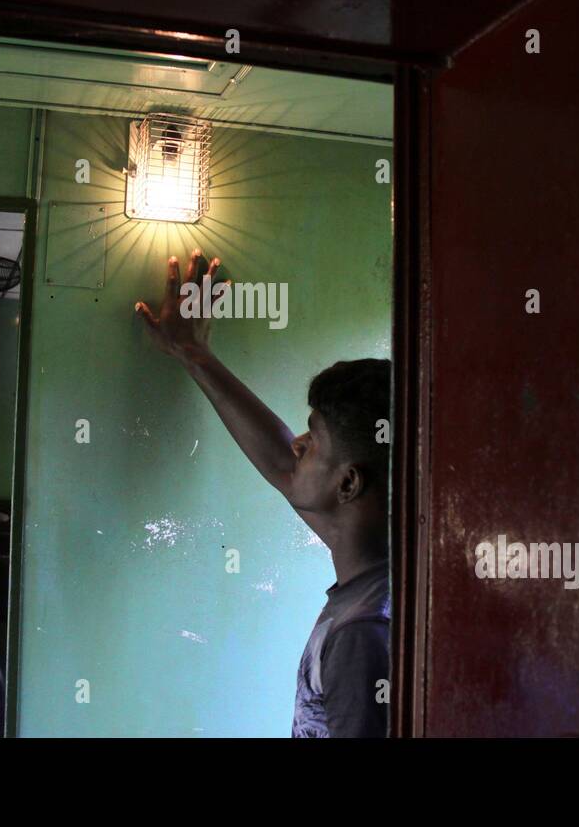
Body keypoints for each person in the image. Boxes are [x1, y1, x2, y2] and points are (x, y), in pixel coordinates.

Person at [135, 249, 391, 738]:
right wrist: (193, 352)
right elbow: (280, 462)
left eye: (312, 439)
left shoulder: (362, 635)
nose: (297, 443)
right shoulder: (379, 568)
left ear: (349, 484)